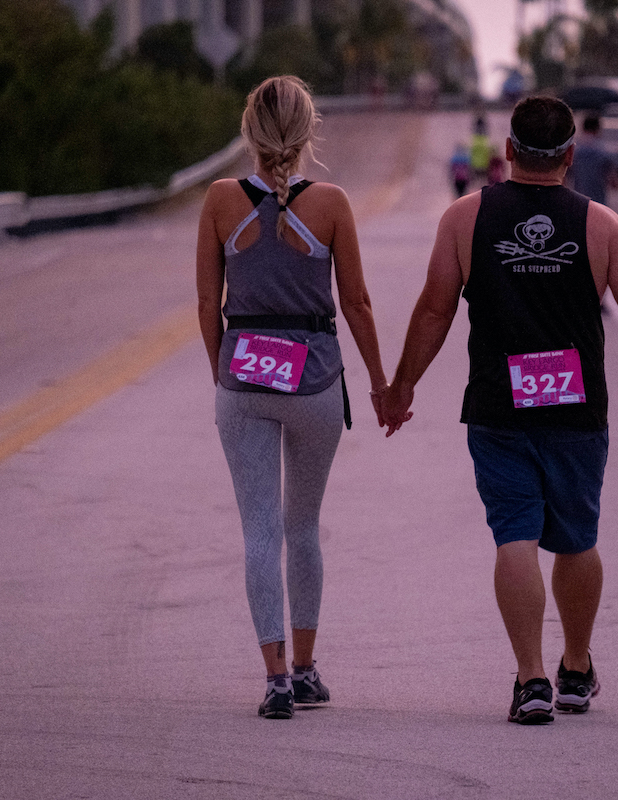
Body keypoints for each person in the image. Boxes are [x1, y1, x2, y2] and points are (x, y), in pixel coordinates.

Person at [380, 96, 618, 725]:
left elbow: (435, 308)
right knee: (576, 538)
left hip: (497, 406)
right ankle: (575, 670)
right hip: (575, 410)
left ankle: (531, 680)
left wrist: (402, 385)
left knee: (515, 534)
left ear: (509, 152)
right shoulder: (602, 226)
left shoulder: (465, 218)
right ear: (570, 156)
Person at [195, 76, 390, 720]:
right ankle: (306, 670)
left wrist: (222, 370)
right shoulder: (331, 204)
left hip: (244, 376)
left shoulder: (221, 201)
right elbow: (356, 303)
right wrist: (381, 382)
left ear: (249, 131)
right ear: (309, 133)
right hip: (315, 379)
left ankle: (274, 677)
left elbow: (206, 302)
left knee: (258, 530)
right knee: (302, 526)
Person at [568, 114, 615, 206]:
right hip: (598, 202)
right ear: (598, 128)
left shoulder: (574, 149)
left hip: (578, 200)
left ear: (583, 128)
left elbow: (565, 177)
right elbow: (613, 181)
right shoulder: (603, 150)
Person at [469, 116, 493, 184]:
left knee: (477, 184)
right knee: (482, 183)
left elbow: (471, 153)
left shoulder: (474, 141)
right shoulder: (486, 141)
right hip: (484, 164)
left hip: (476, 164)